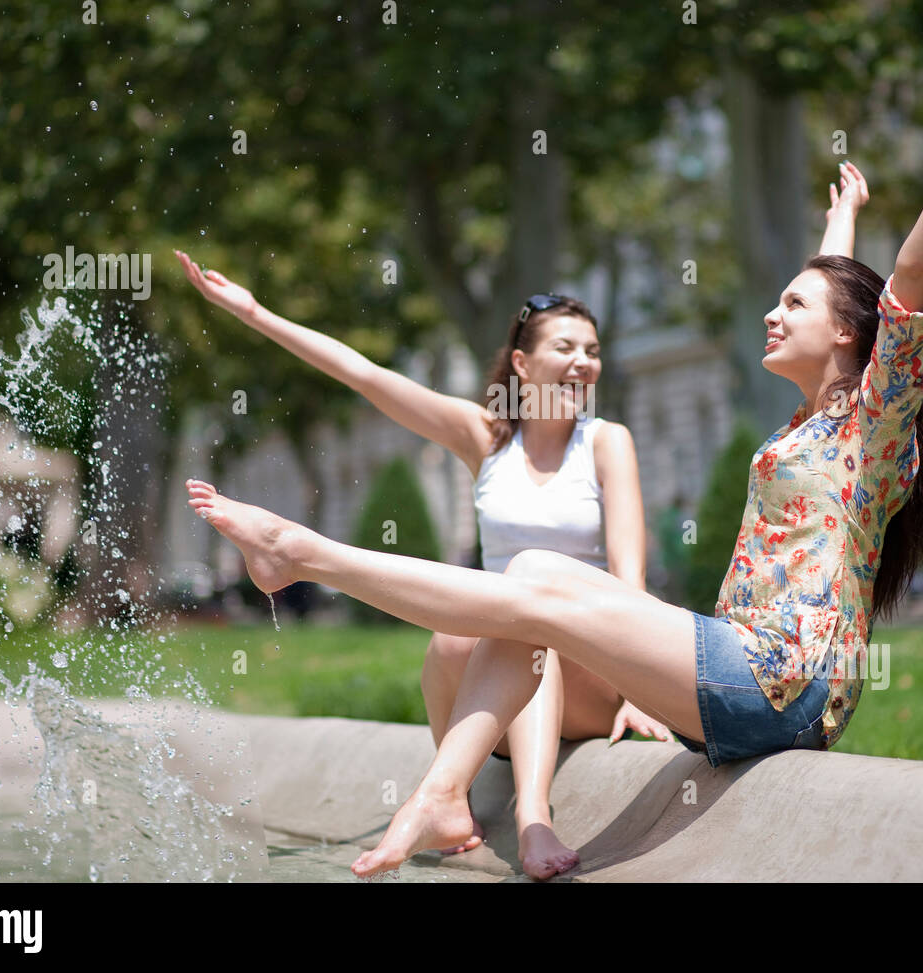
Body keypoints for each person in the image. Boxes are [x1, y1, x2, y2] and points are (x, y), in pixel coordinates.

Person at [185, 45, 923, 878]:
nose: (772, 315)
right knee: (535, 582)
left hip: (787, 690)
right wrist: (839, 224)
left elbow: (910, 275)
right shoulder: (808, 425)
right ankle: (438, 794)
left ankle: (306, 557)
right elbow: (840, 298)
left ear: (852, 335)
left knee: (539, 587)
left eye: (792, 304)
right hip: (737, 669)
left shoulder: (872, 427)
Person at [174, 249, 676, 879]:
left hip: (595, 667)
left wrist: (640, 687)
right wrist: (255, 313)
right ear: (522, 363)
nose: (584, 362)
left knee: (533, 625)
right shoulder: (484, 437)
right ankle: (452, 802)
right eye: (567, 347)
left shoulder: (605, 441)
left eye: (593, 350)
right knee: (452, 637)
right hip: (500, 664)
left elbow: (630, 578)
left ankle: (533, 820)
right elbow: (366, 375)